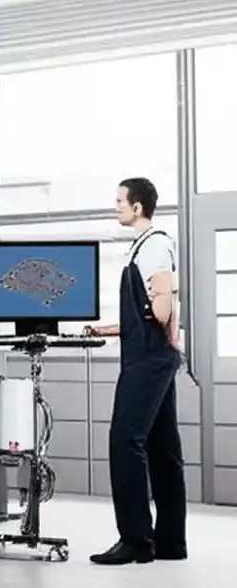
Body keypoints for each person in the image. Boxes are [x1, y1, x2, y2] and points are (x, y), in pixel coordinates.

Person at [84, 177, 187, 565]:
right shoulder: (143, 245)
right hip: (151, 352)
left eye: (119, 201)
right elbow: (144, 312)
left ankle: (136, 540)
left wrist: (166, 329)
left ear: (138, 206)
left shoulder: (156, 243)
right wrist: (107, 328)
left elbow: (162, 302)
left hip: (148, 357)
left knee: (125, 440)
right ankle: (171, 542)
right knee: (162, 447)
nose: (116, 206)